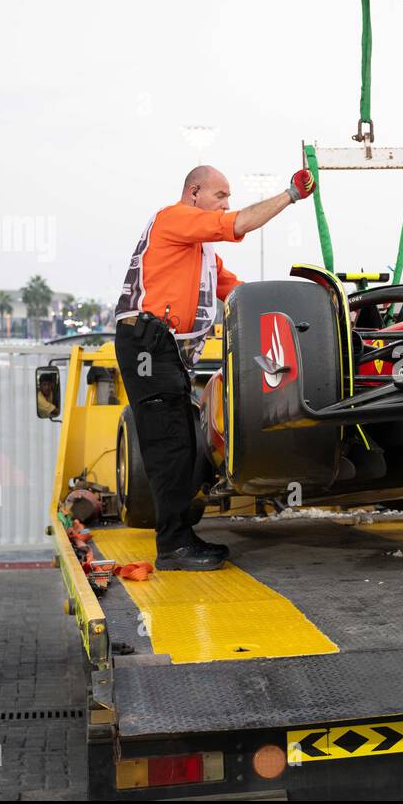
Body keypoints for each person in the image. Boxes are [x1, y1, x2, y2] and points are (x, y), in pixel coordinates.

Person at [113, 165, 315, 570]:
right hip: (148, 344)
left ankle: (181, 535)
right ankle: (173, 546)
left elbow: (238, 292)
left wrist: (296, 314)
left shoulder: (202, 254)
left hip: (162, 349)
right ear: (194, 193)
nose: (226, 204)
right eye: (220, 196)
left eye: (228, 197)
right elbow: (238, 224)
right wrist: (290, 195)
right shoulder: (173, 218)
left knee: (186, 440)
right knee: (169, 444)